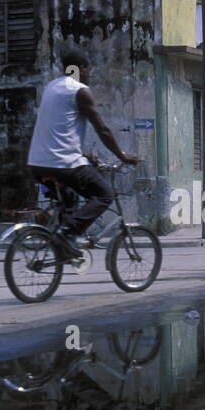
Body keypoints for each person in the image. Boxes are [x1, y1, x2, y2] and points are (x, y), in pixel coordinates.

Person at [27, 44, 139, 260]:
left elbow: (58, 130)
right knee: (104, 194)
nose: (90, 74)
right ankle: (66, 233)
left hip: (37, 163)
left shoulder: (52, 87)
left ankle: (62, 246)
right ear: (79, 68)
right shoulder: (80, 91)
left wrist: (86, 156)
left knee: (69, 198)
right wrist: (122, 156)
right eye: (88, 69)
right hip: (62, 164)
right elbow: (102, 129)